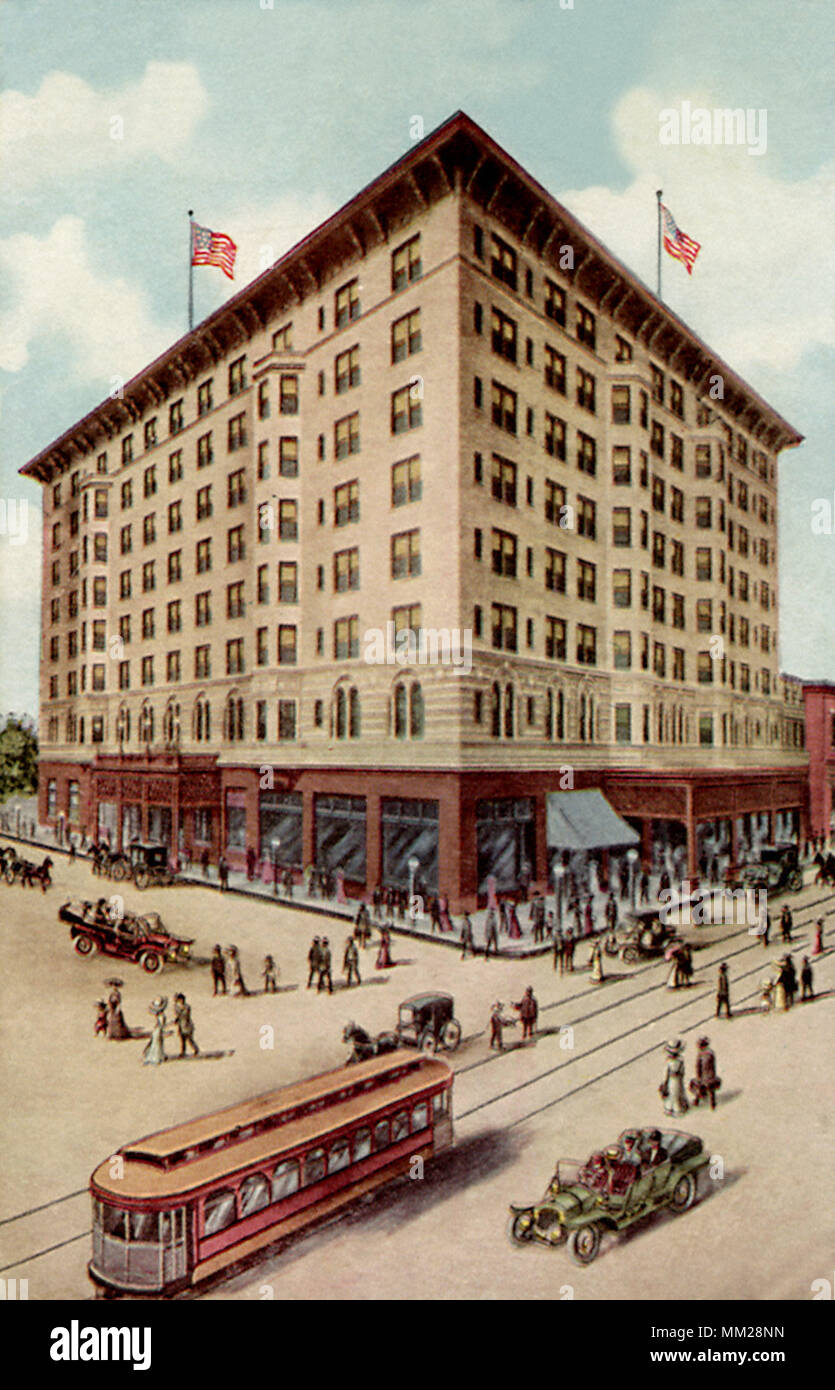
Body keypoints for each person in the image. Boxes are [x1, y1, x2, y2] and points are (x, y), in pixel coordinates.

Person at [690, 1037, 720, 1109]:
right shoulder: (711, 1053)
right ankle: (713, 1103)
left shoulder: (700, 1055)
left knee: (696, 1084)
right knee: (711, 1089)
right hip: (712, 1076)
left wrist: (699, 1077)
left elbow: (698, 1068)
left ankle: (697, 1100)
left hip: (704, 1078)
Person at [660, 1039, 688, 1116]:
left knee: (672, 1093)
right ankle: (678, 1108)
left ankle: (670, 1108)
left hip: (671, 1080)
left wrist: (664, 1082)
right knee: (677, 1092)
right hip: (678, 1079)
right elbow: (682, 1071)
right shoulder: (680, 1061)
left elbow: (666, 1073)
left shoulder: (669, 1062)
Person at [143, 998, 168, 1066]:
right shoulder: (161, 1015)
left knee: (156, 1044)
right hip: (157, 1030)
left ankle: (155, 1058)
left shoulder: (161, 1016)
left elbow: (161, 1024)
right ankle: (157, 1056)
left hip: (158, 1030)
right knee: (156, 1043)